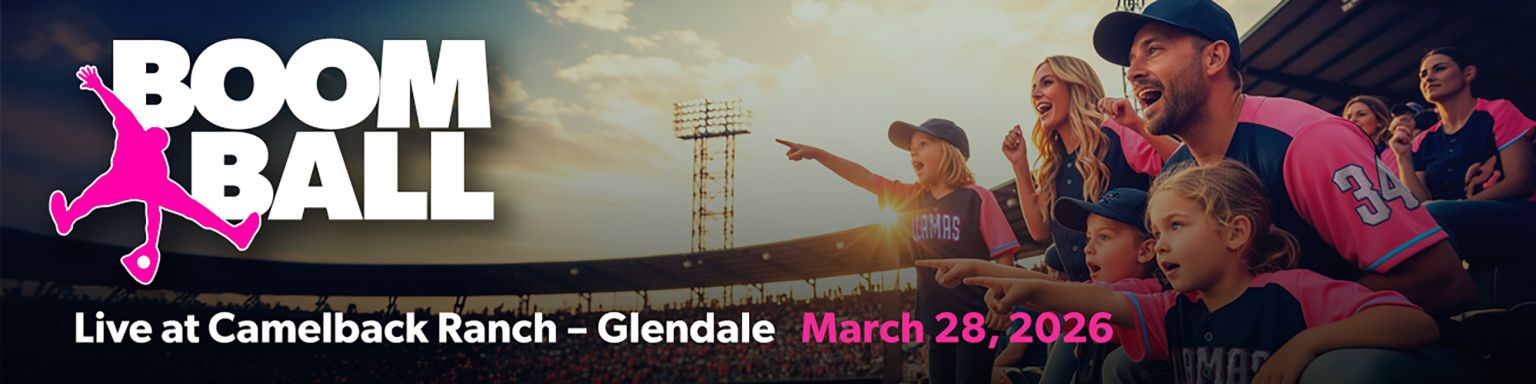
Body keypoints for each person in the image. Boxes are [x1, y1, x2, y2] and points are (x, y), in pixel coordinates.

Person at [1091, 0, 1472, 314]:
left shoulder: (1306, 140)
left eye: (1153, 50)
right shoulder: (1176, 174)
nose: (1134, 72)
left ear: (1214, 58)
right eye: (1131, 60)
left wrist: (1274, 320)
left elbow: (1442, 281)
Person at [966, 160, 1444, 383]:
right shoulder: (1173, 309)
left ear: (1235, 233)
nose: (1162, 244)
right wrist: (1017, 286)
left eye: (1176, 226)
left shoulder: (1294, 292)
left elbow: (1416, 322)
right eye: (1157, 229)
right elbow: (1094, 300)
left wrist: (1306, 344)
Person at [777, 118, 1019, 384]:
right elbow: (864, 177)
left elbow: (1004, 255)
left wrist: (1000, 301)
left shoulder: (978, 196)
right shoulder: (911, 196)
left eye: (923, 145)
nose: (913, 152)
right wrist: (817, 154)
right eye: (911, 149)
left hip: (975, 318)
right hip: (938, 322)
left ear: (951, 151)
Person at [920, 188, 1170, 384]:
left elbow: (1051, 290)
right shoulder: (1091, 292)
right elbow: (1047, 284)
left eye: (1104, 237)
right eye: (1088, 238)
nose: (1088, 247)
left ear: (1146, 250)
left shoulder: (1146, 292)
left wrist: (1007, 284)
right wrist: (975, 267)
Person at [48, 65, 262, 285]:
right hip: (121, 180)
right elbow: (119, 109)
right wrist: (98, 87)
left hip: (123, 181)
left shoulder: (155, 161)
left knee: (192, 209)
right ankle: (67, 217)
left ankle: (236, 234)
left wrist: (151, 244)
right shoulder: (139, 141)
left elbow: (153, 210)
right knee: (192, 210)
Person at [1005, 55, 1173, 284]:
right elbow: (1039, 230)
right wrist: (1019, 165)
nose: (1035, 94)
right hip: (1083, 297)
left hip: (1135, 294)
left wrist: (1137, 125)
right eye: (1033, 87)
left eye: (1046, 82)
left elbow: (1181, 161)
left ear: (1077, 86)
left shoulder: (1116, 132)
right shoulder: (1054, 163)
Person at [1388, 47, 1536, 274]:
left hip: (1518, 214)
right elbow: (1420, 202)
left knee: (1432, 214)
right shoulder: (1423, 141)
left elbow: (1521, 180)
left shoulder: (1497, 111)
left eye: (1439, 68)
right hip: (1450, 223)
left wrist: (1456, 207)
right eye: (1423, 75)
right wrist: (1403, 157)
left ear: (1468, 74)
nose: (1429, 77)